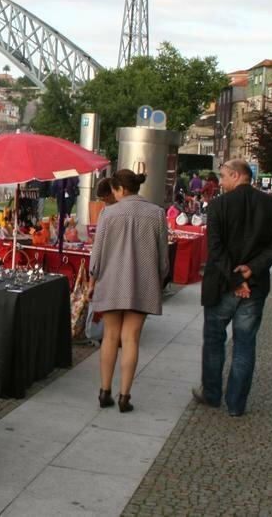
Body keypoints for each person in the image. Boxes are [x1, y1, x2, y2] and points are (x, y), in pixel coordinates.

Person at [194, 159, 272, 417]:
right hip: (254, 285)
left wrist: (236, 280)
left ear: (236, 175)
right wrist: (252, 269)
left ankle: (212, 394)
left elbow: (215, 248)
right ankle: (236, 403)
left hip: (222, 284)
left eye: (223, 176)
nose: (220, 182)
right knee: (245, 344)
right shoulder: (270, 205)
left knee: (214, 340)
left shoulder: (219, 205)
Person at [89, 169, 168, 414]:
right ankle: (125, 395)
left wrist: (93, 279)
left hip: (112, 282)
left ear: (121, 190)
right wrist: (159, 277)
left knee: (110, 337)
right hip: (143, 283)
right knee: (131, 339)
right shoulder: (157, 214)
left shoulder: (108, 213)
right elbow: (164, 259)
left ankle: (104, 391)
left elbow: (97, 256)